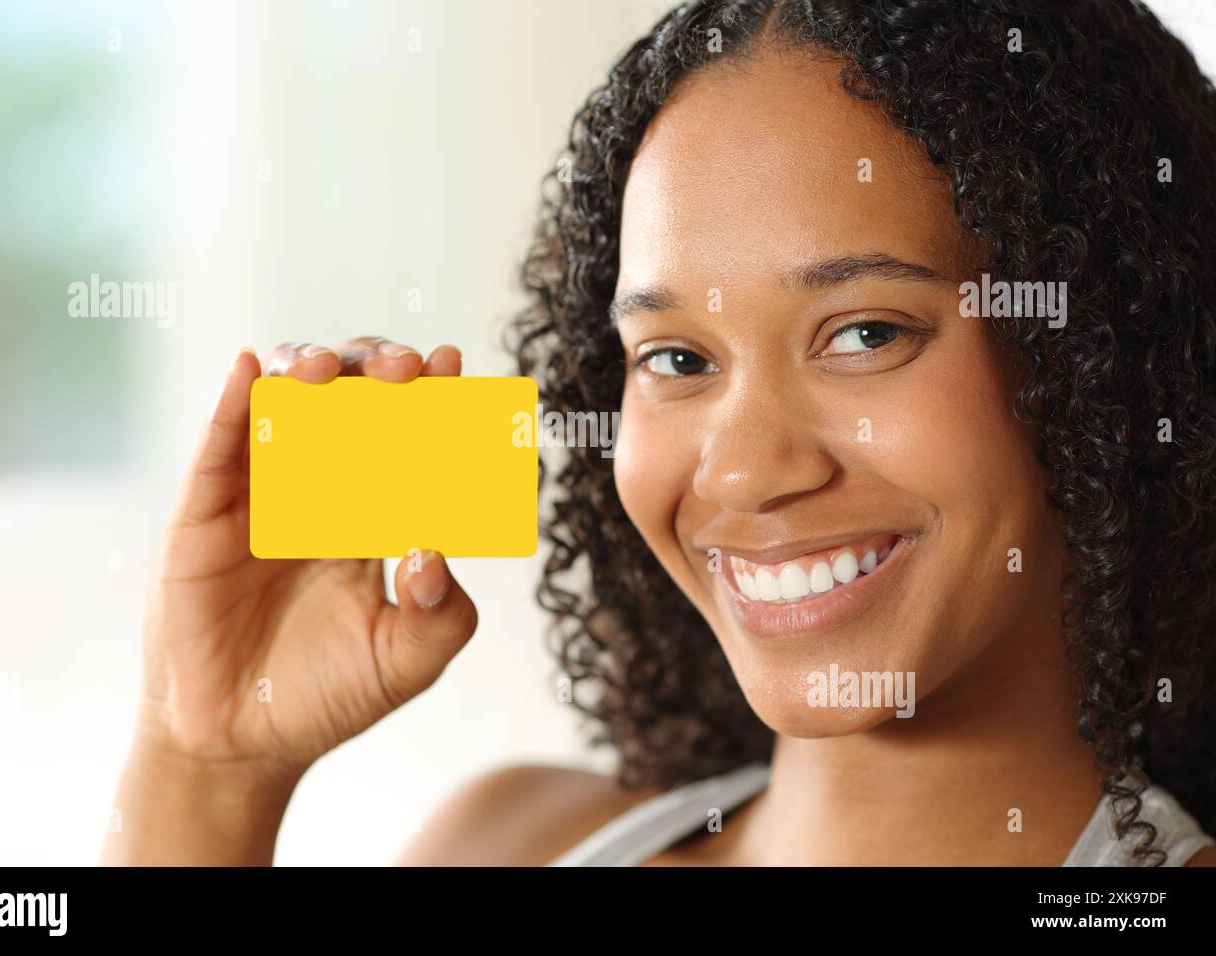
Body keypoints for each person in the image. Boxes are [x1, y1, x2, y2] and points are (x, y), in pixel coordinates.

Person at [101, 0, 1216, 866]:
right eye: (676, 360)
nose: (740, 465)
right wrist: (204, 768)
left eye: (865, 331)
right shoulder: (511, 836)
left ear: (1096, 357)